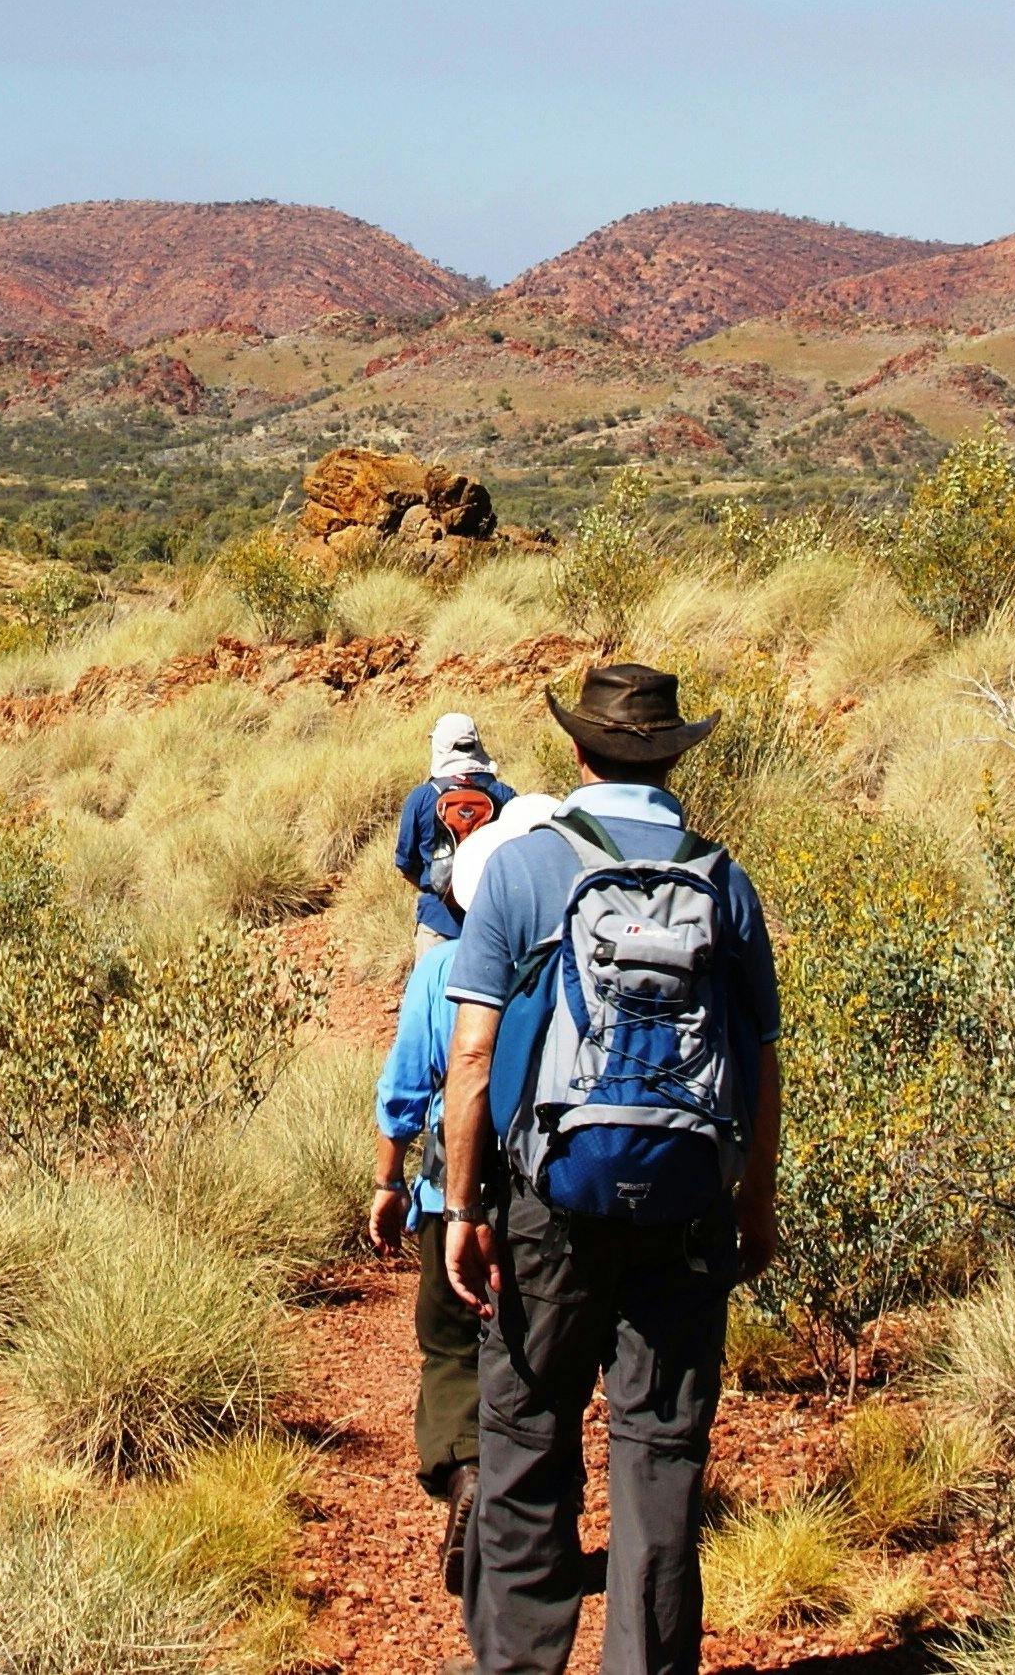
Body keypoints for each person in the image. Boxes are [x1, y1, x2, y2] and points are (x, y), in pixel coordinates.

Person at [440, 664, 782, 1675]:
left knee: (525, 1440)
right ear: (672, 758)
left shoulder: (523, 869)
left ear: (577, 750)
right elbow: (761, 1060)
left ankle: (517, 1663)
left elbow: (472, 1057)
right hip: (686, 1207)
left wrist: (462, 1205)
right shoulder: (722, 880)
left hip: (548, 1205)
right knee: (660, 1457)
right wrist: (754, 1204)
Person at [371, 790, 561, 1636]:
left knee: (450, 1345)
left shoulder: (442, 968)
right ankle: (535, 1519)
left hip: (451, 1193)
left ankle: (464, 1470)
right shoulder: (572, 961)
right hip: (550, 1201)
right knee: (538, 1357)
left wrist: (388, 1183)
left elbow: (407, 1088)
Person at [391, 713, 514, 965]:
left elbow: (405, 864)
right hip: (491, 925)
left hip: (437, 922)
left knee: (431, 988)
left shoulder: (422, 797)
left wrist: (443, 889)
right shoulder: (503, 795)